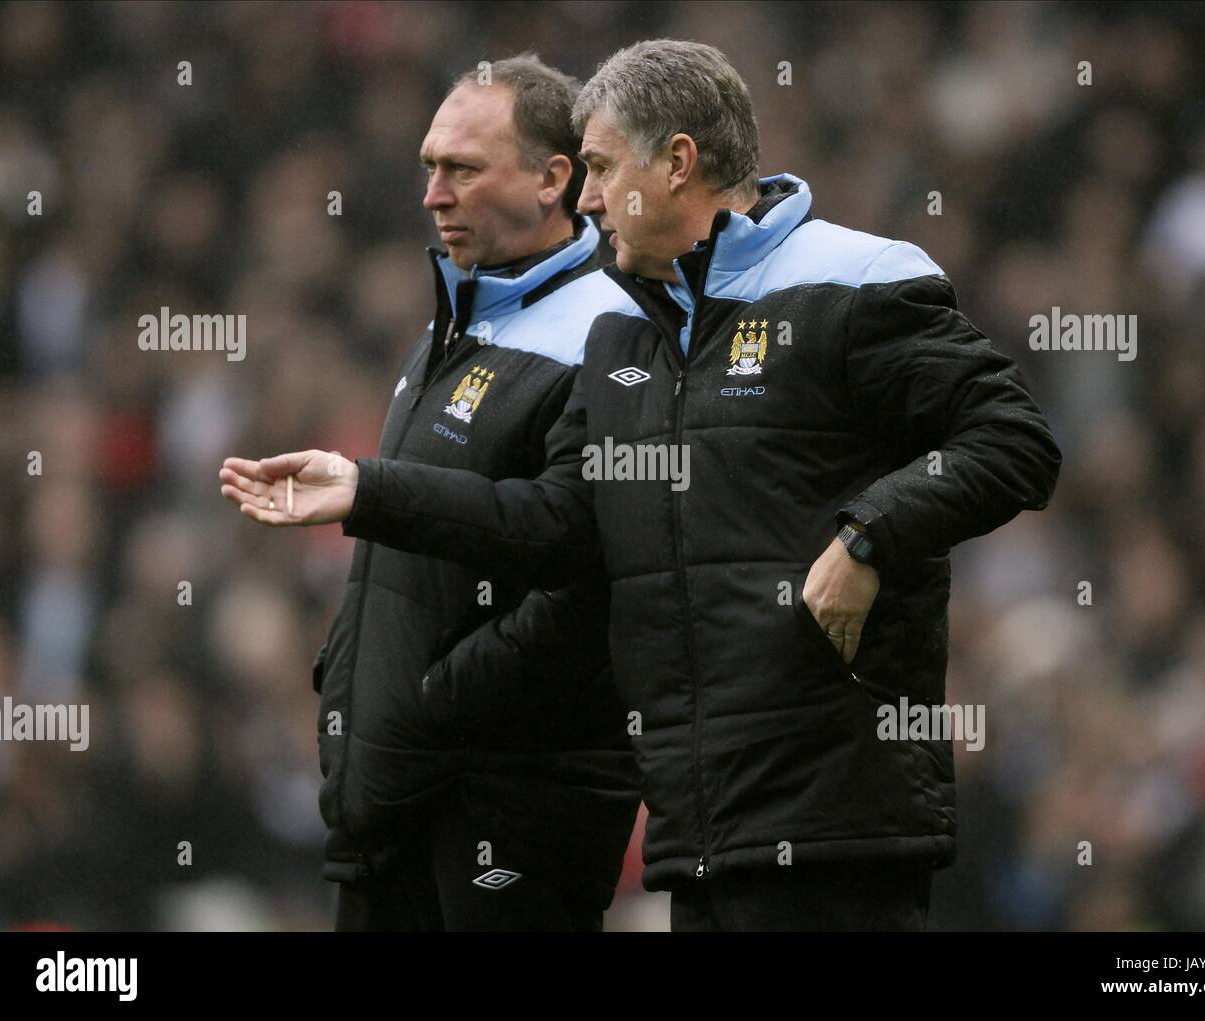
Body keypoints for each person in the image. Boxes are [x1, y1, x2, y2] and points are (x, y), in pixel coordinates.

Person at [223, 40, 1062, 932]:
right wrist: (367, 489)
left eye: (598, 167)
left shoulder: (853, 279)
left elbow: (1015, 440)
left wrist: (869, 535)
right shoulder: (625, 334)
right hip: (696, 828)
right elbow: (559, 523)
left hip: (837, 819)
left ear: (677, 162)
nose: (586, 199)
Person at [221, 54, 641, 932]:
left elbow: (585, 565)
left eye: (462, 169)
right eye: (428, 167)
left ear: (552, 179)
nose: (433, 195)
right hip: (396, 797)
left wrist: (432, 701)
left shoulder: (610, 331)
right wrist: (352, 686)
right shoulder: (457, 323)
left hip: (506, 813)